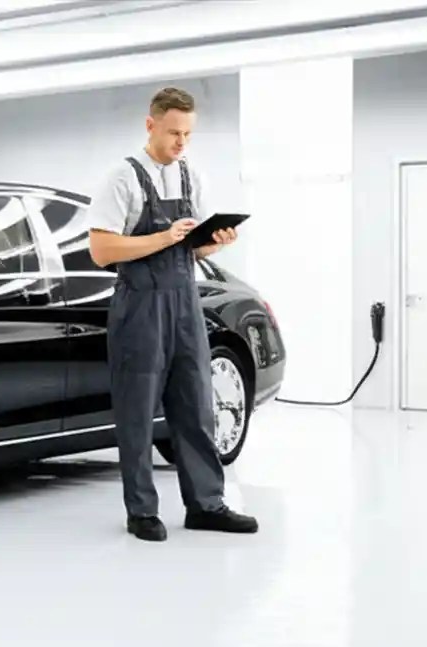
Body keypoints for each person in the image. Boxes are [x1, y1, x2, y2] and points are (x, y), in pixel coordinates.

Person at [86, 86, 259, 542]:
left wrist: (213, 241)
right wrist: (161, 238)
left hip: (185, 302)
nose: (181, 142)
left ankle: (206, 503)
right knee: (138, 410)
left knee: (197, 404)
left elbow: (191, 245)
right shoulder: (121, 178)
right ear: (150, 124)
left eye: (188, 134)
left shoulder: (190, 176)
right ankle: (141, 511)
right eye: (173, 132)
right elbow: (101, 249)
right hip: (140, 304)